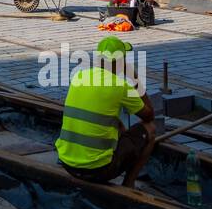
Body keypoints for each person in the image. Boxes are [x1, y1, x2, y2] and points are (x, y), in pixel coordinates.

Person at [55, 37, 157, 189]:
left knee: (114, 121)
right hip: (98, 170)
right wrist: (135, 78)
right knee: (150, 129)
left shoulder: (79, 76)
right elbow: (149, 116)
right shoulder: (120, 86)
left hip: (67, 164)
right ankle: (129, 183)